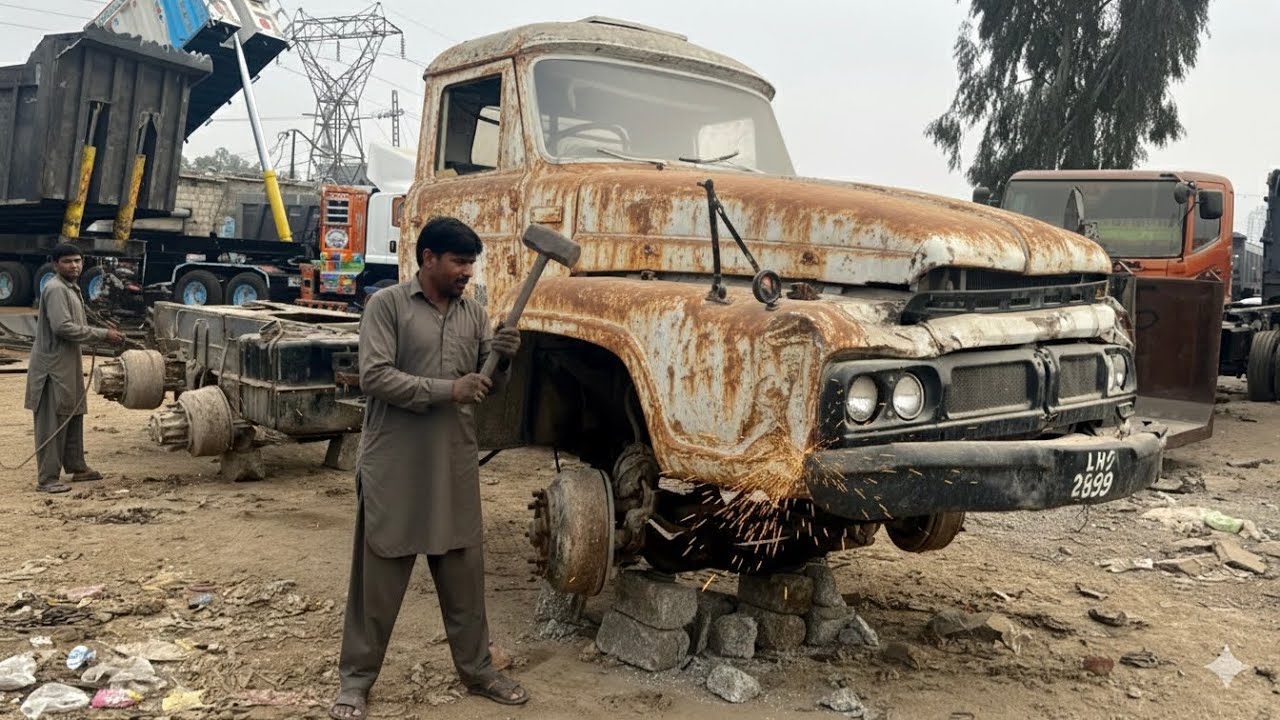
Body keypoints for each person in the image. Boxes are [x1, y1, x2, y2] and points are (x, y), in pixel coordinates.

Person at [330, 217, 526, 720]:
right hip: (395, 464)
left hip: (452, 463)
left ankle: (479, 671)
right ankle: (356, 682)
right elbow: (375, 376)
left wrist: (503, 360)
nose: (467, 272)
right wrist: (448, 390)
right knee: (377, 582)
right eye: (459, 262)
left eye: (471, 263)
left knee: (465, 580)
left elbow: (487, 386)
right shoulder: (387, 305)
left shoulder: (474, 314)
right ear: (428, 258)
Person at [24, 244, 125, 493]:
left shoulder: (71, 288)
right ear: (55, 265)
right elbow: (62, 327)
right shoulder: (56, 289)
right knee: (52, 421)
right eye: (68, 261)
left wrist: (102, 330)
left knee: (73, 412)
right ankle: (47, 479)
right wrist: (102, 335)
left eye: (78, 261)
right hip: (51, 368)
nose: (74, 266)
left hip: (67, 363)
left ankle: (77, 467)